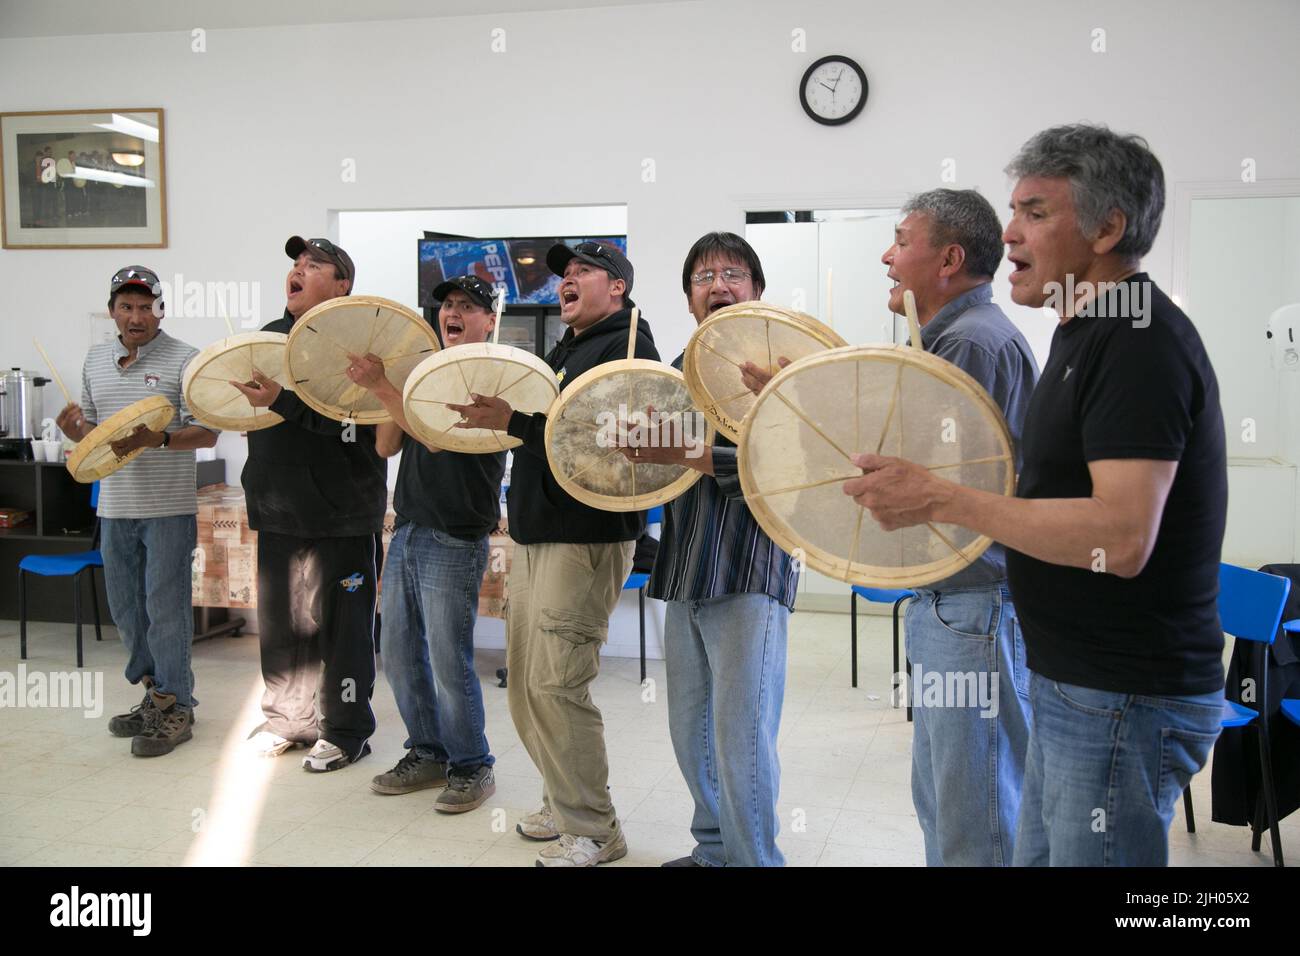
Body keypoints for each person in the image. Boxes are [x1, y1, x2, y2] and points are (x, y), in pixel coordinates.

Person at [845, 125, 1228, 866]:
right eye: (1014, 210)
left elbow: (1120, 538)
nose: (1009, 233)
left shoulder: (1136, 340)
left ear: (1107, 229)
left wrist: (942, 498)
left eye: (1036, 212)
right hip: (1075, 678)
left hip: (1121, 692)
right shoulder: (1083, 334)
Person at [452, 241, 656, 866]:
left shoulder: (629, 348)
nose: (567, 280)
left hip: (587, 537)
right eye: (564, 273)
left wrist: (513, 420)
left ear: (617, 286)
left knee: (558, 684)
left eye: (582, 271)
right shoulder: (568, 348)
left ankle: (595, 829)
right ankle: (565, 804)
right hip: (538, 535)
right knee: (526, 687)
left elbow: (601, 442)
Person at [621, 232, 798, 867]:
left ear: (756, 290)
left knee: (742, 736)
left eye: (732, 274)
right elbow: (658, 465)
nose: (717, 285)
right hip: (684, 565)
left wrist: (683, 452)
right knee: (690, 730)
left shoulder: (784, 370)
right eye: (703, 277)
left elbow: (788, 465)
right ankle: (715, 850)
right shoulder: (676, 368)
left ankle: (754, 860)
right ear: (689, 298)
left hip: (750, 570)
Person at [345, 275, 505, 813]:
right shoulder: (425, 372)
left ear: (489, 321)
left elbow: (437, 441)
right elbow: (386, 445)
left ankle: (472, 764)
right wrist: (391, 388)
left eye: (467, 306)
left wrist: (384, 388)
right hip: (409, 527)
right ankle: (428, 752)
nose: (452, 312)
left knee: (447, 658)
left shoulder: (492, 376)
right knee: (397, 651)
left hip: (456, 535)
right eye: (447, 305)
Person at [230, 237, 387, 773]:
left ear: (342, 285)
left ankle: (345, 730)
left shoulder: (360, 351)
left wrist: (281, 401)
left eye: (313, 264)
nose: (298, 270)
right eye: (296, 263)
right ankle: (288, 722)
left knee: (344, 631)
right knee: (282, 627)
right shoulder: (269, 340)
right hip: (277, 509)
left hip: (343, 515)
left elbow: (353, 426)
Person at [55, 266, 218, 756]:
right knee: (127, 611)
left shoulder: (185, 359)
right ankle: (154, 696)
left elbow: (208, 433)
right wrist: (75, 431)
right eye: (126, 307)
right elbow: (94, 436)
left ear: (160, 311)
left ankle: (177, 705)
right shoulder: (95, 360)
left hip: (168, 509)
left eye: (146, 307)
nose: (136, 316)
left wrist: (160, 439)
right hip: (114, 507)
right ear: (112, 312)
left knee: (165, 610)